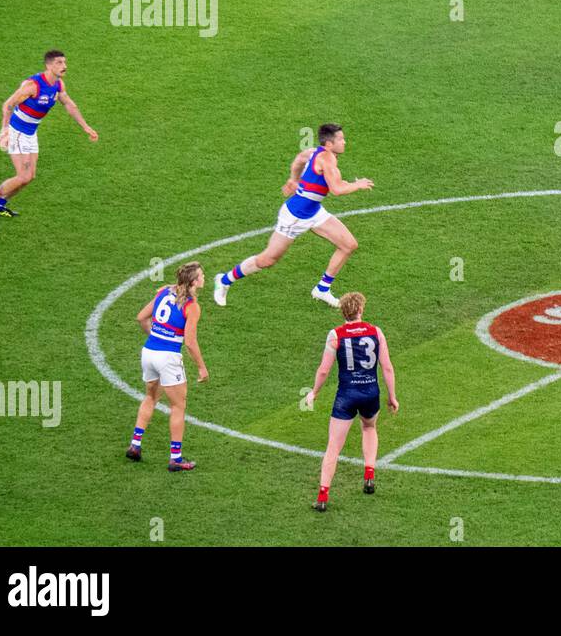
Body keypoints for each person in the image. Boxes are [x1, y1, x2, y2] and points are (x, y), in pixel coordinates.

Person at [213, 124, 373, 308]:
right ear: (329, 144)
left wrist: (293, 180)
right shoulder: (327, 160)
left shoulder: (314, 152)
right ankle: (224, 280)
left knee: (348, 245)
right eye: (341, 139)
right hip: (295, 216)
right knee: (267, 259)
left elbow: (298, 160)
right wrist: (357, 185)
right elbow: (336, 190)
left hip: (314, 211)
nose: (345, 142)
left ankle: (321, 289)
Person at [305, 292, 398, 512]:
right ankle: (369, 475)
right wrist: (392, 396)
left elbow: (324, 369)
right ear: (360, 310)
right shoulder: (376, 332)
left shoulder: (335, 335)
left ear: (343, 312)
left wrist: (314, 392)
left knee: (333, 448)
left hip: (346, 396)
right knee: (369, 427)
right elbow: (387, 367)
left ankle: (322, 497)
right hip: (370, 393)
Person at [0, 50, 98, 224]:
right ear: (48, 65)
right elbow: (8, 105)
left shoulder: (58, 85)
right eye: (59, 63)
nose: (64, 66)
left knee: (30, 176)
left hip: (31, 132)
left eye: (64, 62)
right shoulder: (33, 85)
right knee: (22, 176)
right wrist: (4, 130)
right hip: (18, 132)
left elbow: (70, 105)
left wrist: (86, 127)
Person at [126, 262, 209, 472]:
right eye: (201, 275)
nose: (204, 277)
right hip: (168, 358)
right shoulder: (191, 306)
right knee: (178, 406)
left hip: (149, 352)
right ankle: (176, 458)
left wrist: (156, 335)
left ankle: (135, 444)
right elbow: (190, 342)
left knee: (150, 397)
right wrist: (201, 367)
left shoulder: (163, 291)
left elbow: (141, 317)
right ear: (193, 281)